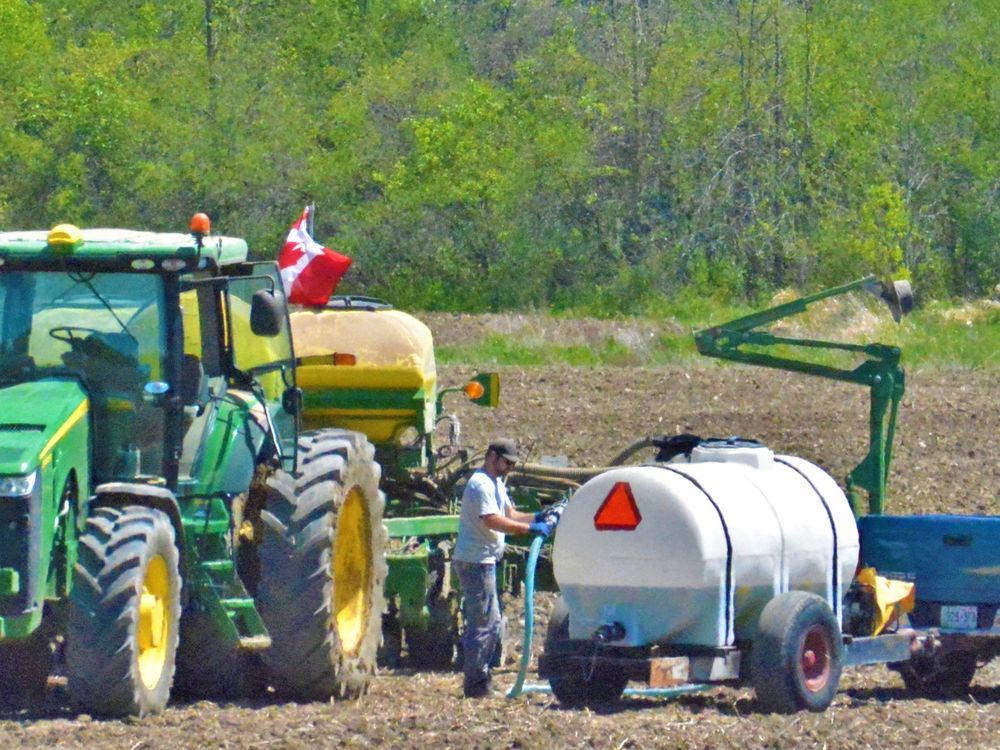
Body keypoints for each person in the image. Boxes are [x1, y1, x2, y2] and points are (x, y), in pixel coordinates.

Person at [453, 438, 555, 698]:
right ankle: (476, 685)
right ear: (491, 456)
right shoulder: (479, 485)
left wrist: (540, 516)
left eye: (512, 464)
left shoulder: (496, 483)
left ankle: (481, 679)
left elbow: (510, 514)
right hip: (476, 561)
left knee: (491, 622)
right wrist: (529, 529)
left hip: (486, 560)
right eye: (506, 462)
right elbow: (493, 521)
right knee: (483, 624)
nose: (509, 468)